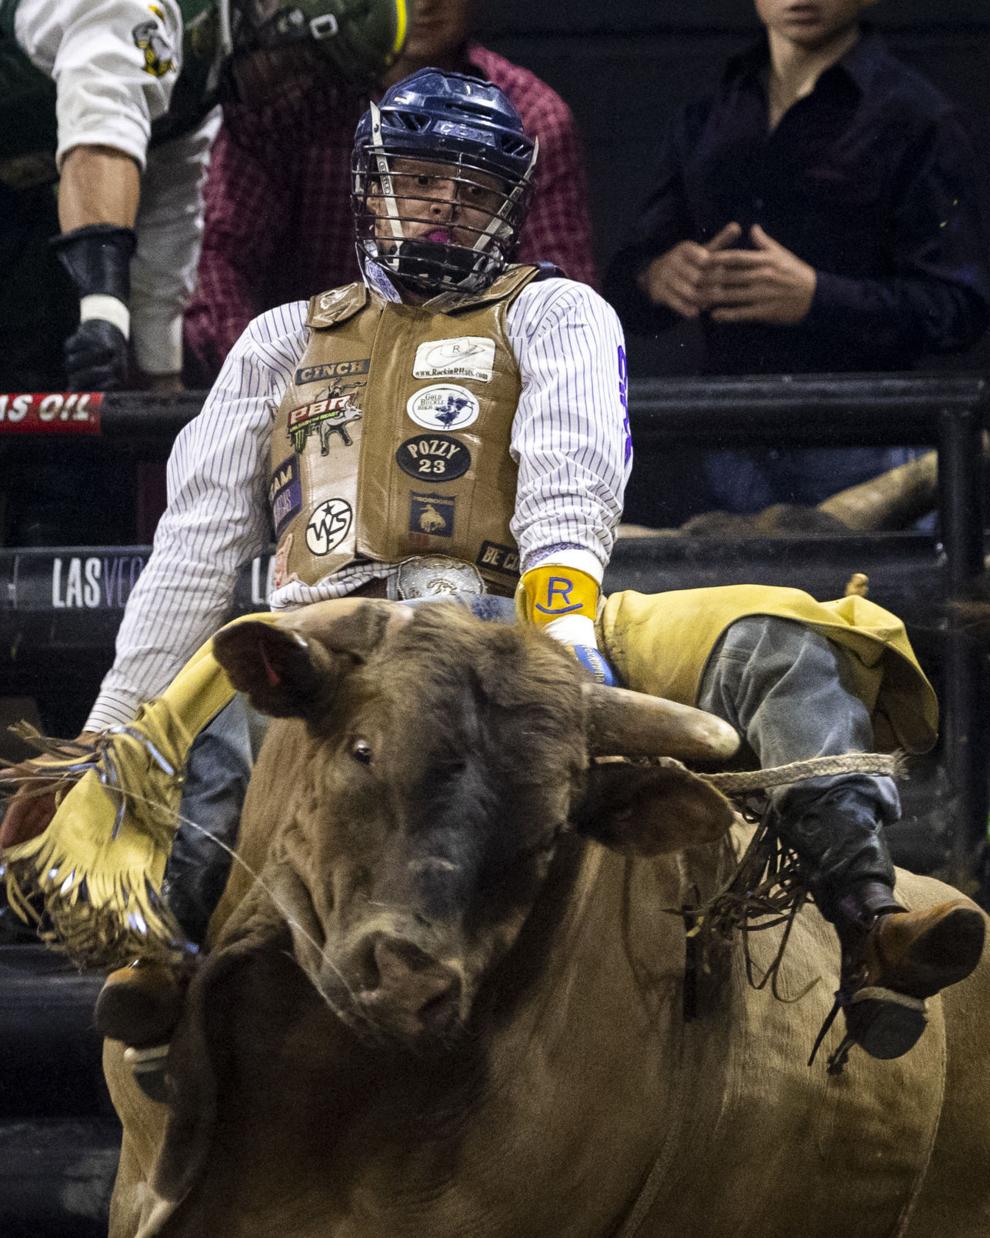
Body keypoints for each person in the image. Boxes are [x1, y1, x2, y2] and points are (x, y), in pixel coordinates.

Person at [0, 69, 980, 1069]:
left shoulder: (556, 313)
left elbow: (571, 480)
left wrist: (563, 646)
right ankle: (166, 964)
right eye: (421, 178)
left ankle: (871, 920)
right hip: (331, 636)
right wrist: (111, 725)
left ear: (509, 203)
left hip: (527, 617)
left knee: (780, 631)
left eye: (471, 187)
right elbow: (196, 541)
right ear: (371, 186)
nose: (444, 203)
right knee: (207, 721)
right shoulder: (278, 340)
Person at [605, 0, 990, 513]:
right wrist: (659, 276)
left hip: (864, 443)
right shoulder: (713, 109)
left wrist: (817, 297)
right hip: (725, 436)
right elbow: (626, 279)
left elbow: (961, 308)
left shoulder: (916, 118)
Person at [183, 0, 598, 385]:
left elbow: (558, 297)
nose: (423, 2)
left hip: (469, 384)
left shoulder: (530, 119)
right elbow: (218, 257)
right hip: (304, 377)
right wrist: (273, 380)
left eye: (473, 189)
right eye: (418, 180)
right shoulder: (294, 102)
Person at [0, 0, 405, 392]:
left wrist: (162, 383)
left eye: (317, 82)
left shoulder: (199, 75)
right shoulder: (142, 13)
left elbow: (169, 213)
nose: (293, 91)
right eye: (297, 63)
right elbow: (102, 136)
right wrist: (102, 313)